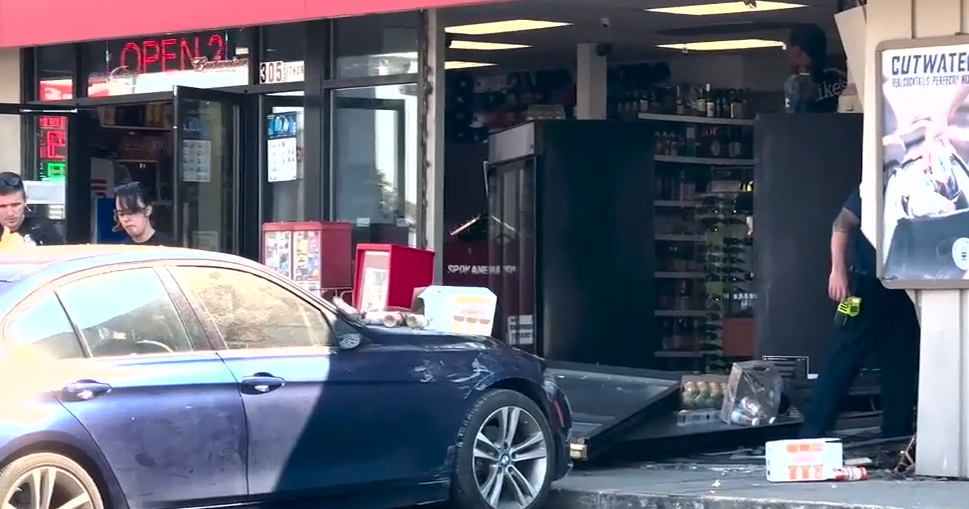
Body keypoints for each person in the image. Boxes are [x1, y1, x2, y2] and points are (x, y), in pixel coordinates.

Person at [800, 187, 920, 439]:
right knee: (844, 355)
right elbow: (842, 224)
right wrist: (838, 270)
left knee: (900, 365)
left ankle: (896, 436)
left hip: (902, 286)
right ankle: (812, 432)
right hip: (861, 285)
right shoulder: (876, 183)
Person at [784, 23, 847, 114]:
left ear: (797, 50)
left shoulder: (795, 84)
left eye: (786, 47)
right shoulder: (843, 76)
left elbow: (793, 121)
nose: (786, 53)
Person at [0, 171, 64, 249]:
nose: (10, 213)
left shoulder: (44, 228)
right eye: (2, 206)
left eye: (16, 205)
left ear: (25, 200)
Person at [114, 182, 178, 247]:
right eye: (121, 214)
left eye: (132, 212)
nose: (126, 219)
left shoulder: (168, 248)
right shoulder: (122, 249)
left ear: (148, 210)